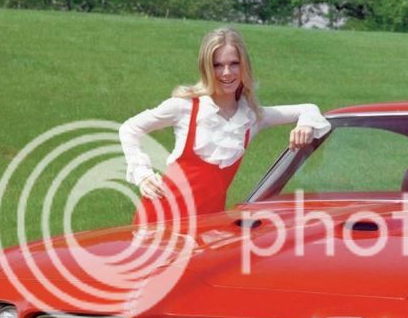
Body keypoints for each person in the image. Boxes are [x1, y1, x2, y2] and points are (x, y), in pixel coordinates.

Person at [119, 27, 330, 225]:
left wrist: (304, 126)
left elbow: (308, 109)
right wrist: (142, 174)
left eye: (234, 63)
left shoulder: (252, 117)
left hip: (207, 226)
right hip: (160, 219)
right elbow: (129, 128)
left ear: (244, 66)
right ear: (206, 68)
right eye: (218, 65)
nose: (226, 73)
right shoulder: (185, 107)